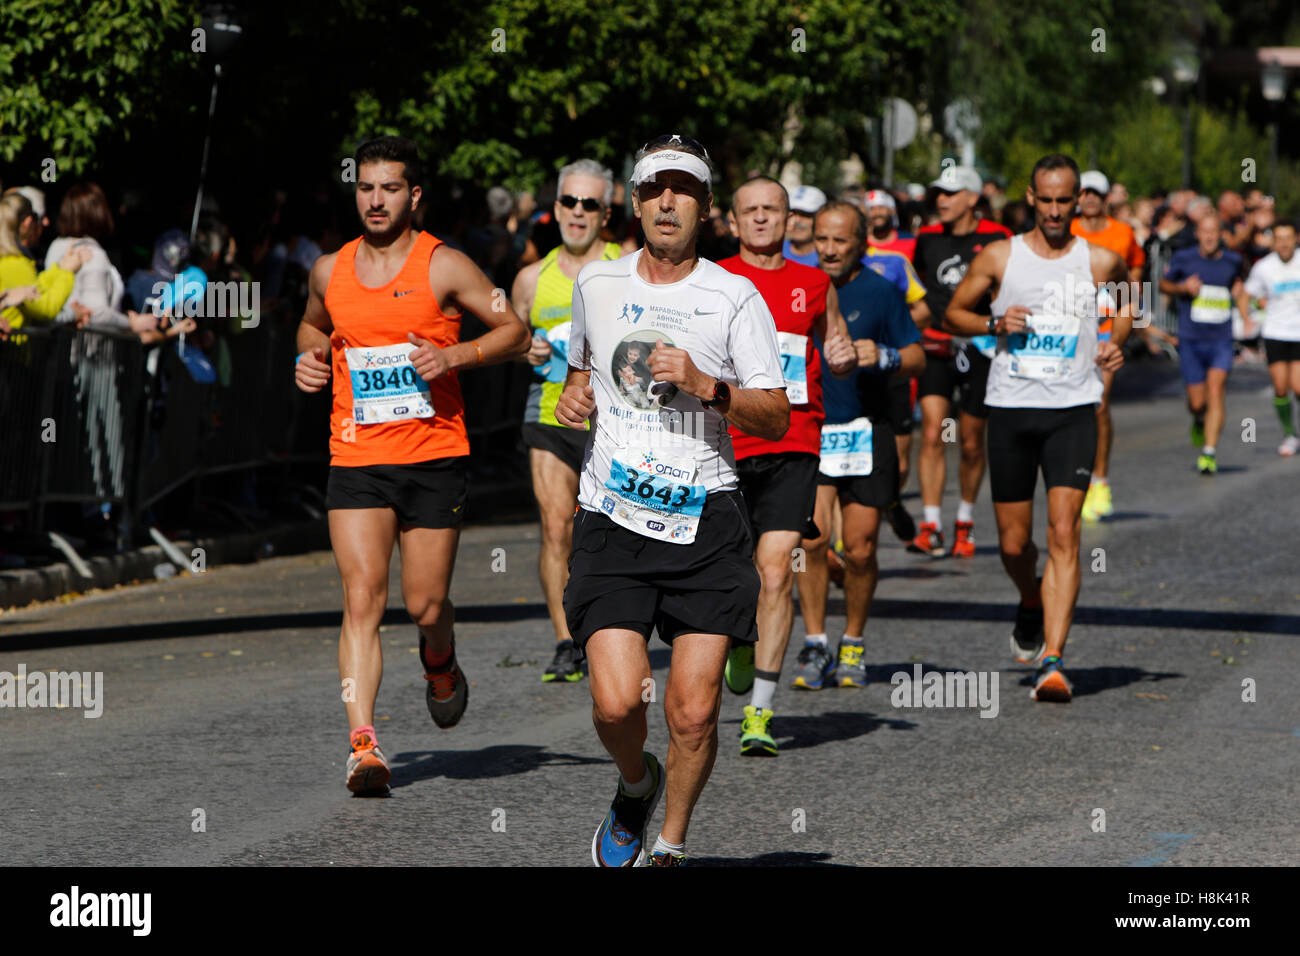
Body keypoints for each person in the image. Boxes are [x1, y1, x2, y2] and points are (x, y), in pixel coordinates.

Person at [556, 134, 788, 865]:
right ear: (634, 201)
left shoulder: (733, 295)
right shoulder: (597, 284)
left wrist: (706, 385)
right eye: (655, 187)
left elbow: (775, 416)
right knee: (617, 702)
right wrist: (571, 397)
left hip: (705, 517)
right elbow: (580, 375)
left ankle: (671, 843)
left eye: (683, 189)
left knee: (692, 712)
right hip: (613, 515)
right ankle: (636, 783)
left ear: (705, 207)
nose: (667, 201)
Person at [293, 136, 529, 794]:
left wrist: (454, 357)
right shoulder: (329, 270)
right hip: (357, 457)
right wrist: (307, 357)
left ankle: (439, 656)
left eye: (389, 188)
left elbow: (515, 331)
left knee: (425, 605)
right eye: (366, 188)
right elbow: (311, 326)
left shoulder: (444, 265)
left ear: (413, 196)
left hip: (433, 458)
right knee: (361, 599)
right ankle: (363, 745)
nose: (375, 200)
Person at [946, 153, 1133, 702]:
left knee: (1063, 533)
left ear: (1079, 201)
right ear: (1031, 197)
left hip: (1073, 411)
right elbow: (952, 313)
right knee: (1012, 544)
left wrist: (1114, 342)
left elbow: (1129, 302)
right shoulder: (1000, 256)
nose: (1054, 210)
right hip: (1010, 408)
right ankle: (1030, 598)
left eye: (1063, 200)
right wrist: (993, 321)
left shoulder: (1100, 260)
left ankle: (1053, 659)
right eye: (1045, 200)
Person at [715, 176, 856, 757]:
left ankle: (760, 712)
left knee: (776, 571)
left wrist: (844, 358)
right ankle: (738, 638)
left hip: (794, 443)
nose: (761, 218)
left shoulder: (815, 283)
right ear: (732, 221)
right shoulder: (713, 279)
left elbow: (838, 347)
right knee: (731, 574)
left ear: (788, 217)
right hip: (721, 444)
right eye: (749, 210)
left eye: (771, 209)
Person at [793, 200, 923, 693]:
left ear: (861, 243)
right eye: (821, 239)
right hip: (813, 430)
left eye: (839, 241)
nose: (828, 250)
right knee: (811, 541)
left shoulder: (881, 291)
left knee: (861, 548)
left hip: (867, 431)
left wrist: (885, 356)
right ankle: (814, 641)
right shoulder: (801, 286)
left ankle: (853, 640)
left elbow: (916, 355)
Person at [511, 159, 624, 683]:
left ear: (606, 213)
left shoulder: (628, 266)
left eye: (590, 204)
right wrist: (526, 350)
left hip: (615, 422)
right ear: (556, 208)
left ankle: (611, 629)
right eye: (570, 202)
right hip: (548, 418)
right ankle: (565, 641)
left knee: (609, 531)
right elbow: (513, 340)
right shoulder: (530, 280)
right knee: (556, 527)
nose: (578, 212)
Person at [909, 165, 1012, 557]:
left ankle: (965, 521)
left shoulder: (997, 237)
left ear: (972, 198)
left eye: (950, 194)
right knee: (933, 432)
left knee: (970, 442)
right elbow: (921, 286)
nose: (941, 200)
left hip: (980, 345)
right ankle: (931, 525)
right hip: (937, 345)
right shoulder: (928, 238)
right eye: (938, 193)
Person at [1069, 170, 1145, 523]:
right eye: (1083, 192)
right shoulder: (1068, 230)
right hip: (1071, 326)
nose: (1088, 199)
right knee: (1071, 406)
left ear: (1105, 198)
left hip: (1106, 326)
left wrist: (1131, 302)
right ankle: (1073, 478)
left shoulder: (1122, 233)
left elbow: (1135, 273)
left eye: (1095, 193)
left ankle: (1099, 481)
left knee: (1099, 403)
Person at [1159, 213, 1246, 473]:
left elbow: (1240, 283)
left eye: (1214, 231)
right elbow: (1163, 284)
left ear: (1221, 234)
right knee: (1197, 403)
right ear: (1197, 234)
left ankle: (1209, 452)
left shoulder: (1232, 260)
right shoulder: (1184, 258)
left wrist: (1241, 298)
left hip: (1221, 340)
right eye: (1204, 231)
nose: (1209, 237)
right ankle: (1199, 420)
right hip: (1191, 340)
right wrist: (1183, 288)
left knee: (1216, 391)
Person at [1242, 219, 1300, 456]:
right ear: (1273, 242)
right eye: (1279, 239)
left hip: (1298, 332)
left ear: (1296, 239)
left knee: (1298, 386)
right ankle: (1290, 435)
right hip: (1275, 332)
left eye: (1288, 238)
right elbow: (1246, 295)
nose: (1284, 244)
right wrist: (1247, 319)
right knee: (1280, 387)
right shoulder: (1264, 267)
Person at [0, 192, 85, 331]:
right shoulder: (12, 262)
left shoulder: (10, 260)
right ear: (28, 221)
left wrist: (60, 268)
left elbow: (35, 287)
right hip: (13, 343)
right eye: (36, 218)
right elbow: (44, 309)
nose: (43, 223)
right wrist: (67, 273)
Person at [864, 189, 916, 260]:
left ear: (892, 211)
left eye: (881, 208)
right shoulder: (861, 244)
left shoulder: (910, 241)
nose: (877, 213)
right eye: (872, 209)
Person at [782, 186, 827, 266]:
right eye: (792, 214)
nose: (797, 220)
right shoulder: (772, 251)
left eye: (805, 214)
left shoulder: (830, 258)